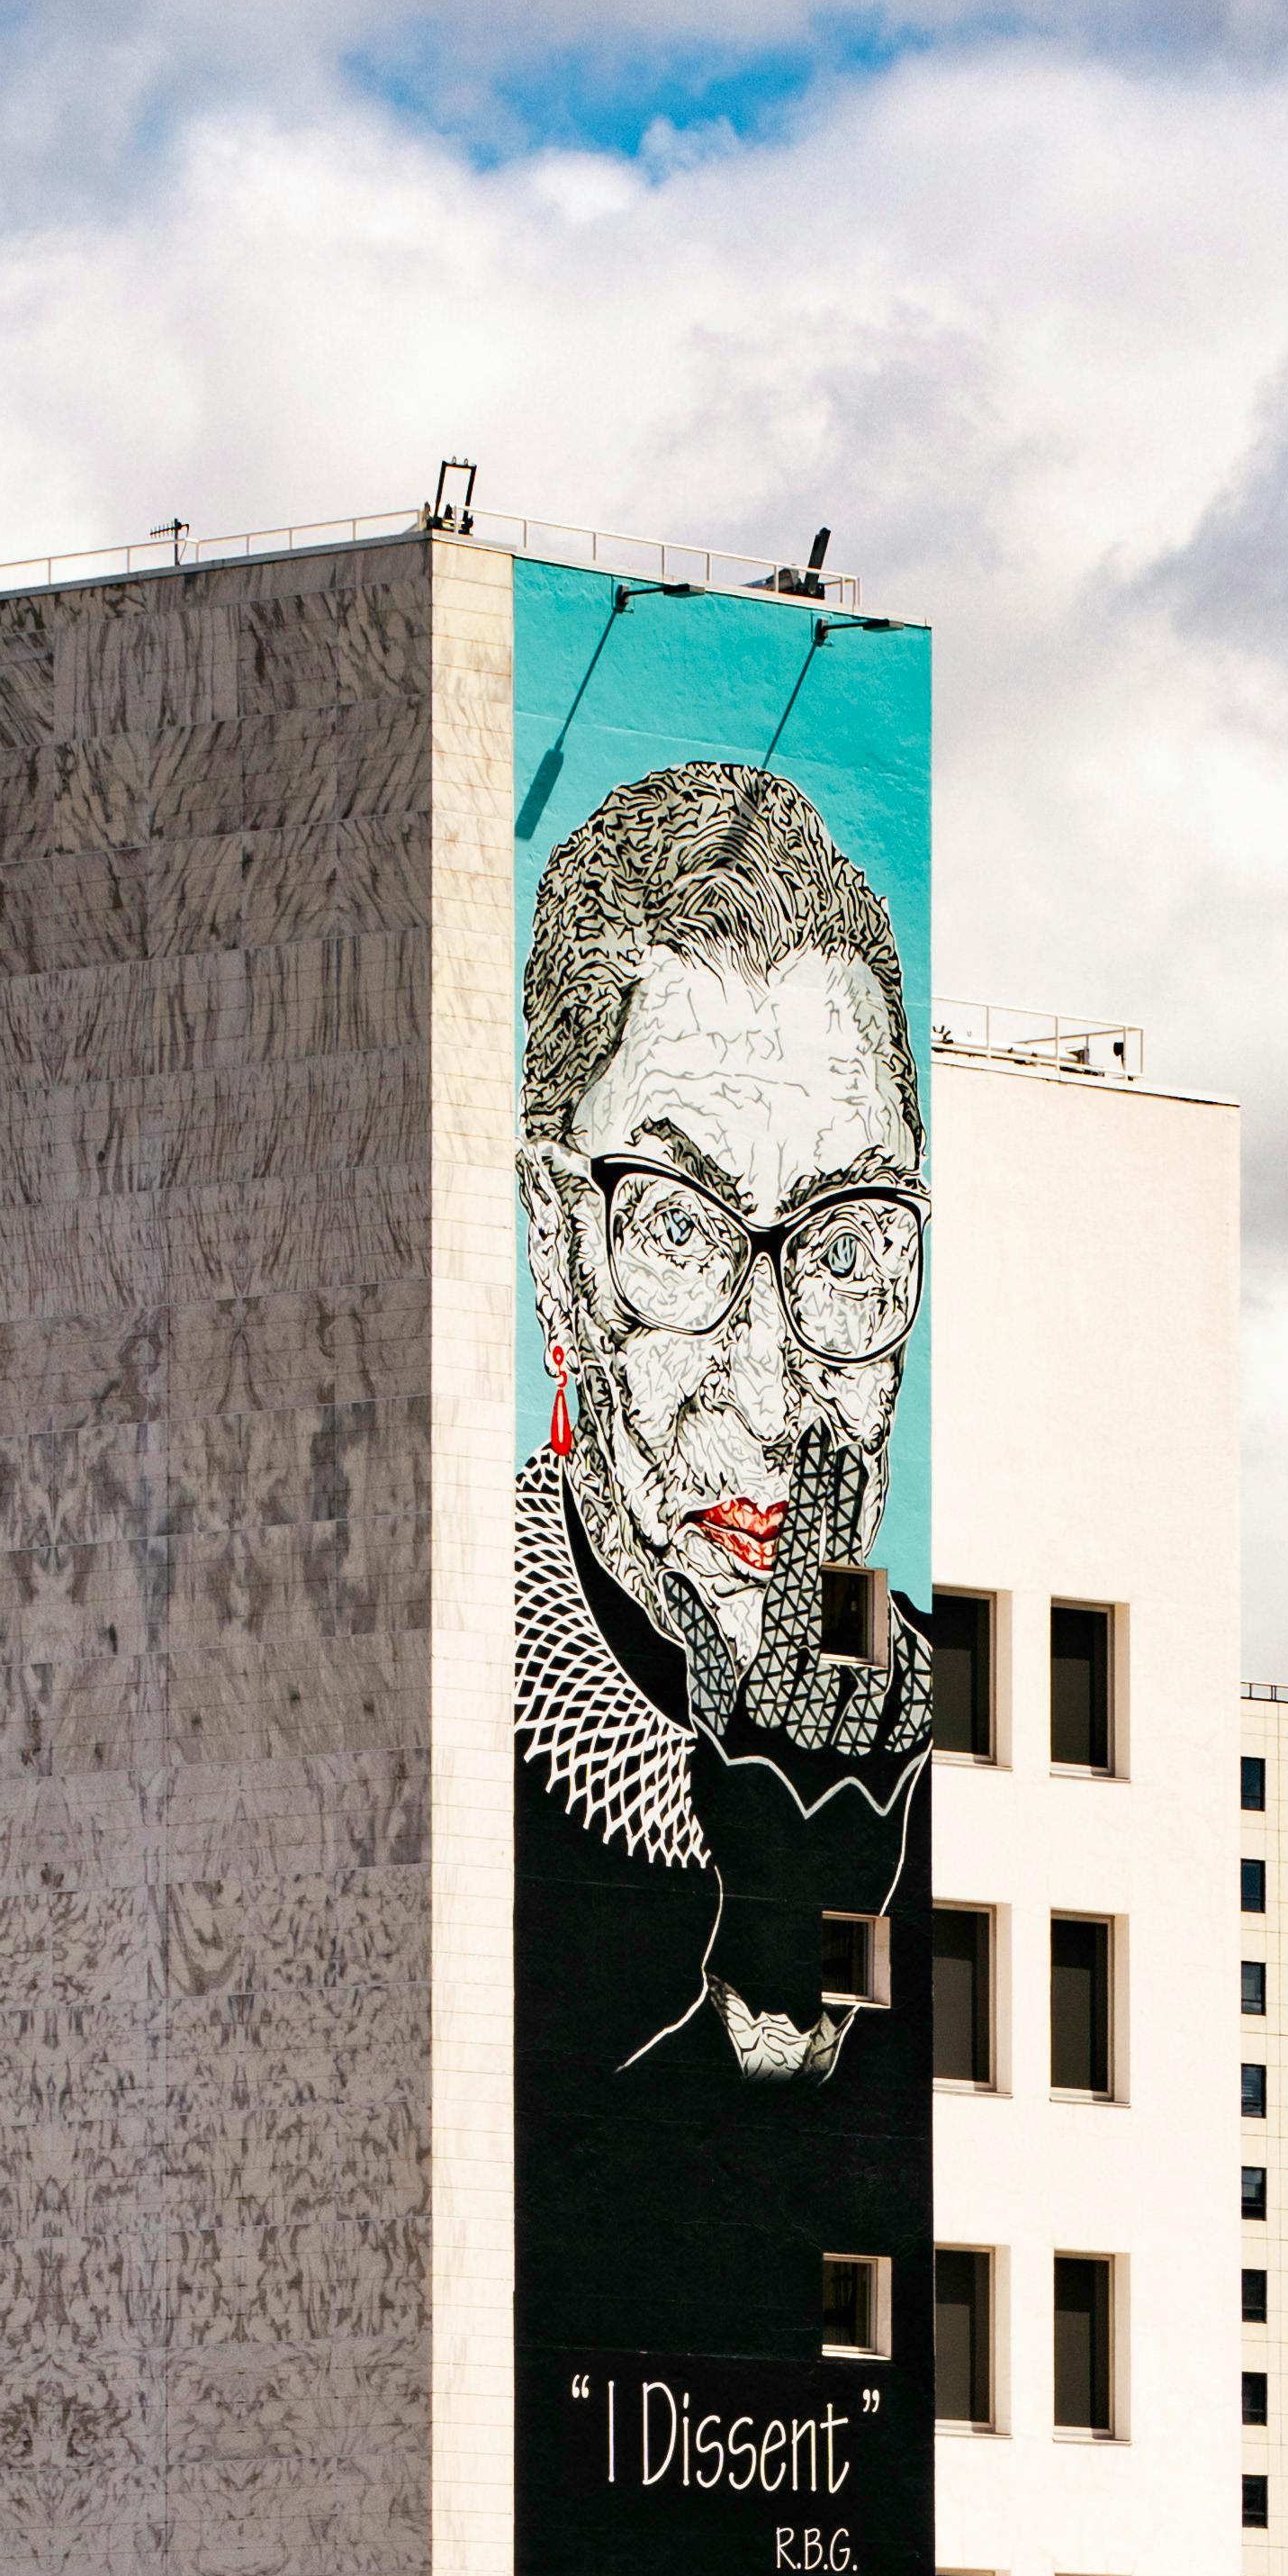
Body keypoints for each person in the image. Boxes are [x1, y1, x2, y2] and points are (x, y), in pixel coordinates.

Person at [513, 754, 932, 2076]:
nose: (767, 1385)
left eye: (850, 1248)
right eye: (682, 1235)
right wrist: (770, 1983)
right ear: (558, 1248)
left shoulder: (943, 1747)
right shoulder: (427, 1716)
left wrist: (830, 1948)